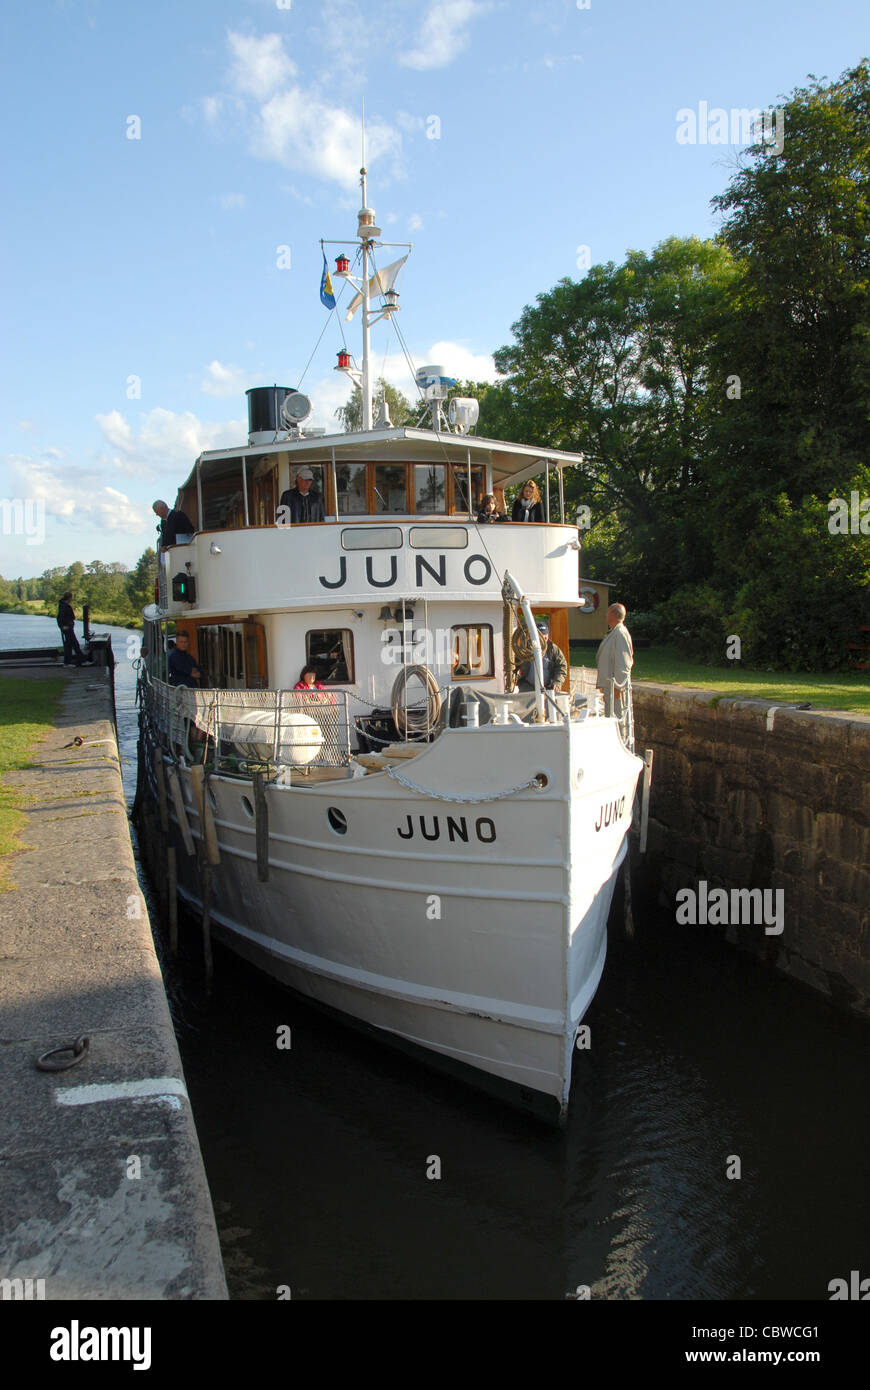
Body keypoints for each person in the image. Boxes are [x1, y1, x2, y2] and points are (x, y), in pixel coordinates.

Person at [596, 604, 634, 716]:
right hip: (609, 687)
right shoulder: (614, 632)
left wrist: (618, 687)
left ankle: (621, 734)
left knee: (618, 716)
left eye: (607, 612)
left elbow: (624, 663)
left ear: (612, 614)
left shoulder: (620, 633)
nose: (606, 615)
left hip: (615, 689)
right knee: (610, 715)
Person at [512, 615, 567, 692]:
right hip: (527, 686)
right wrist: (512, 674)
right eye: (541, 635)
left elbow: (561, 667)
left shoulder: (553, 649)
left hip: (548, 687)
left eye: (545, 635)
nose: (543, 637)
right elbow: (515, 664)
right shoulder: (525, 649)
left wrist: (557, 682)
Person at [57, 591, 84, 666]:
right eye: (71, 598)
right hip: (67, 629)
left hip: (69, 628)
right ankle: (70, 662)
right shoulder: (64, 606)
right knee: (73, 645)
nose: (71, 599)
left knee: (71, 645)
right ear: (69, 598)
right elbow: (60, 618)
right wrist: (63, 627)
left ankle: (79, 660)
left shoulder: (64, 605)